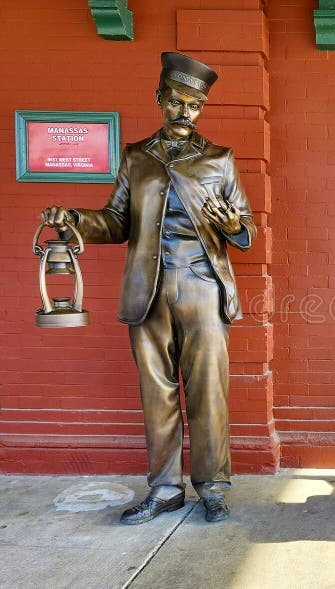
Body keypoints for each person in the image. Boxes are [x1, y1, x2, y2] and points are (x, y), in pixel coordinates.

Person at [41, 52, 256, 524]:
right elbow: (117, 221)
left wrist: (235, 222)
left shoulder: (219, 159)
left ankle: (213, 486)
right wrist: (75, 219)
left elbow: (248, 230)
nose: (185, 112)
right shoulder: (137, 157)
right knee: (156, 393)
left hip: (202, 287)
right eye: (176, 101)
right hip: (148, 290)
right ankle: (164, 489)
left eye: (194, 105)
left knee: (208, 392)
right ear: (159, 99)